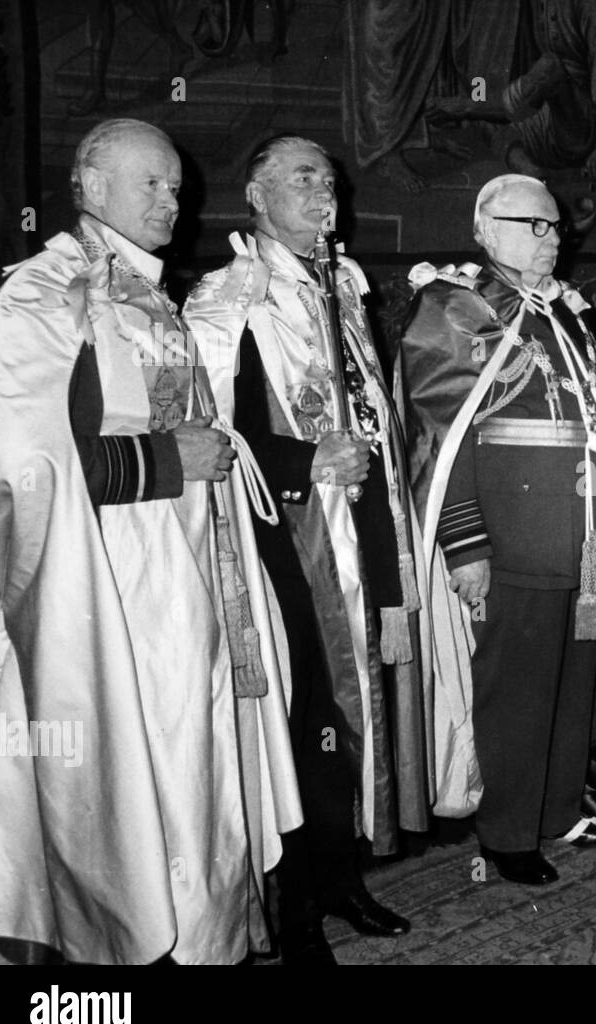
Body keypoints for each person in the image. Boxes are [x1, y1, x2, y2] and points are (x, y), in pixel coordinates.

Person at [0, 118, 300, 964]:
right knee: (139, 780)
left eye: (176, 184)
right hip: (111, 591)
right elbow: (17, 464)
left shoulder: (154, 291)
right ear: (89, 186)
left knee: (195, 764)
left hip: (186, 578)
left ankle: (205, 937)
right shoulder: (47, 292)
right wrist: (163, 460)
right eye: (151, 183)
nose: (173, 199)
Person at [183, 135, 429, 964]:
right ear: (255, 195)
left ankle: (342, 878)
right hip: (280, 537)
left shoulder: (344, 289)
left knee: (345, 717)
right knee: (300, 721)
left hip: (355, 521)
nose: (323, 190)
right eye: (302, 177)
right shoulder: (229, 300)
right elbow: (215, 428)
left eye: (328, 177)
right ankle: (294, 915)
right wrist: (304, 461)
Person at [400, 174, 596, 885]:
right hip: (512, 533)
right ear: (485, 229)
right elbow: (437, 438)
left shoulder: (559, 313)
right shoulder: (454, 309)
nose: (550, 240)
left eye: (555, 229)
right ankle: (507, 832)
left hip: (579, 532)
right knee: (517, 687)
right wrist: (466, 542)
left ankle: (554, 807)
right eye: (533, 226)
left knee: (572, 682)